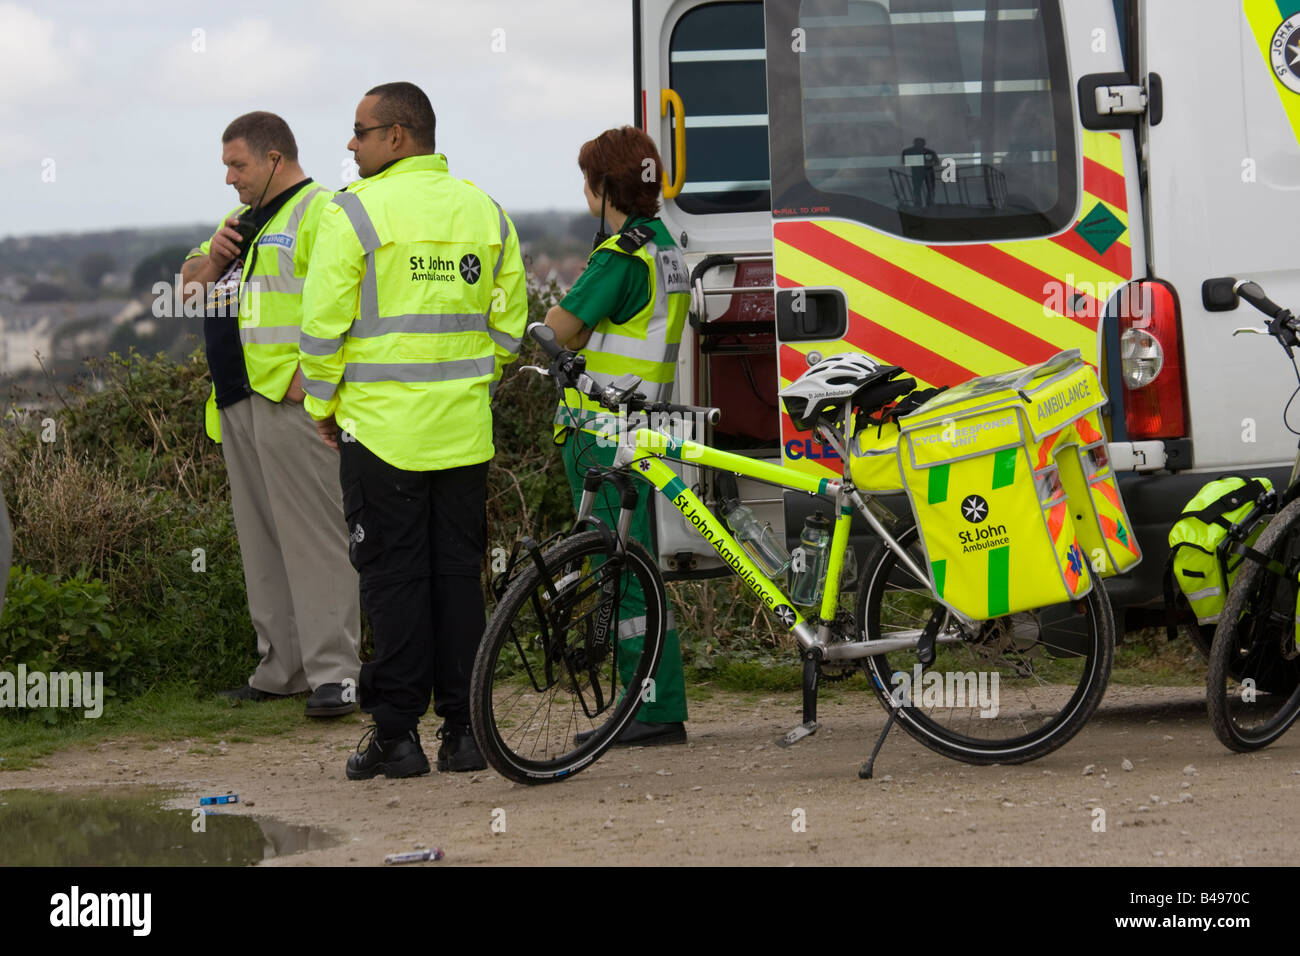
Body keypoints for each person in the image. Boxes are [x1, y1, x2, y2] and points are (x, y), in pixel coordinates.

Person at [298, 82, 527, 779]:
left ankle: (396, 740)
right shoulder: (486, 212)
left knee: (393, 583)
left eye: (360, 131)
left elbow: (321, 329)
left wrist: (324, 405)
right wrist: (462, 383)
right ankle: (464, 734)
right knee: (458, 580)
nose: (350, 143)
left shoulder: (354, 215)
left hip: (380, 436)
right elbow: (509, 328)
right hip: (462, 436)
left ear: (398, 136)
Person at [180, 111, 361, 718]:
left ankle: (338, 674)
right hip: (235, 401)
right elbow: (186, 287)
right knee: (263, 542)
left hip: (291, 403)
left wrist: (312, 385)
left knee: (316, 538)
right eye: (227, 166)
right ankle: (281, 669)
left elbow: (349, 301)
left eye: (238, 165)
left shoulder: (321, 212)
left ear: (274, 159)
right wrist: (213, 260)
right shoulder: (236, 223)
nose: (229, 177)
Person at [543, 125, 690, 747]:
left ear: (606, 187)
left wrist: (561, 322)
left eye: (588, 180)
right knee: (639, 567)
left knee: (620, 571)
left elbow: (562, 326)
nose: (584, 191)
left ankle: (649, 712)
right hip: (646, 425)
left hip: (603, 431)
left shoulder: (619, 256)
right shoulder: (667, 250)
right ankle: (659, 703)